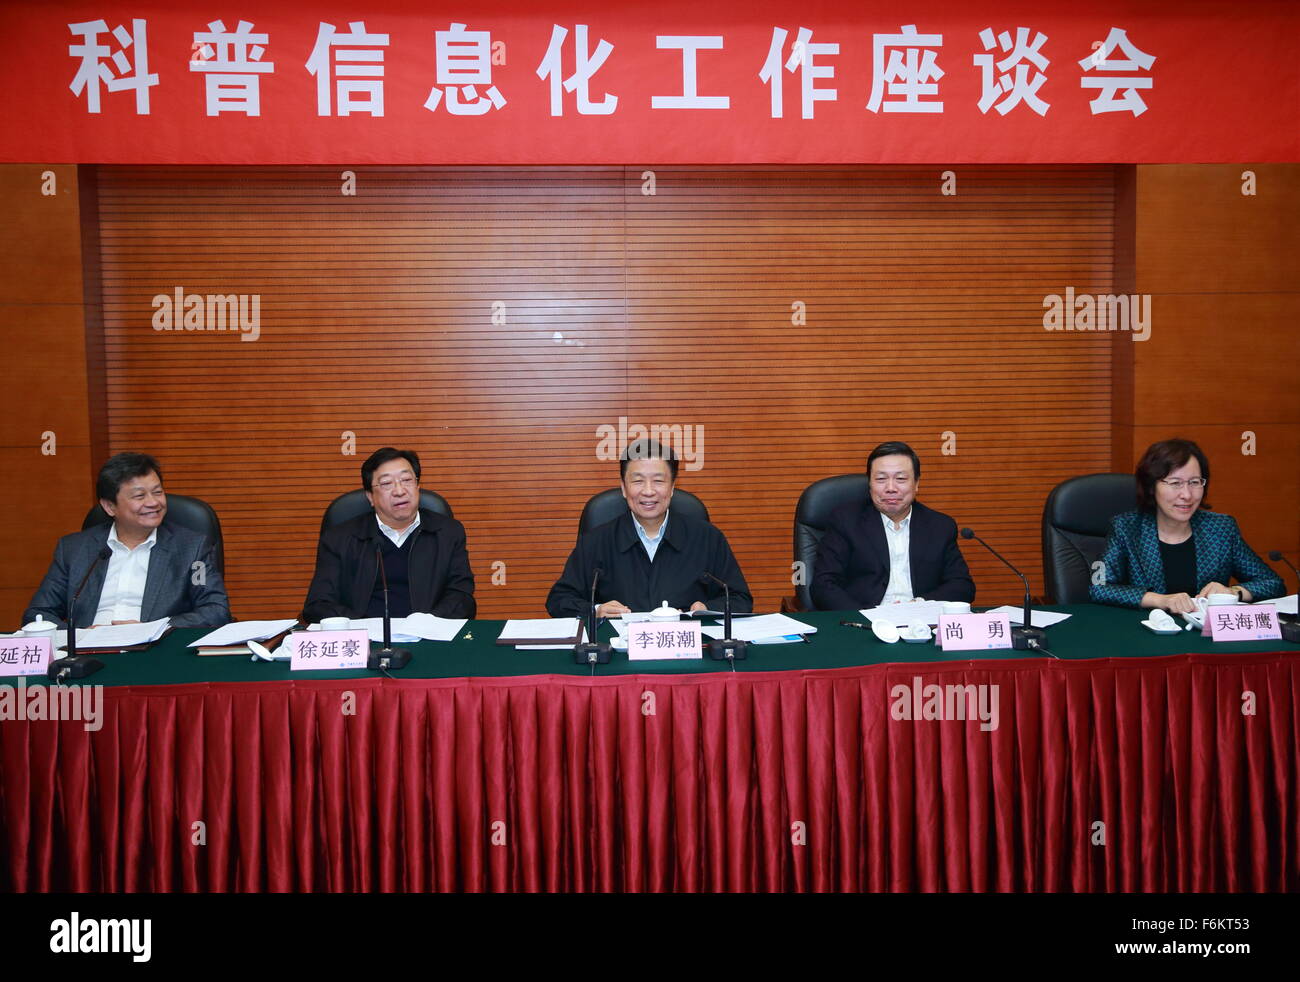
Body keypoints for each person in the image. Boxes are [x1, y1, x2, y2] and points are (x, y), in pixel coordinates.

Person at [546, 439, 752, 619]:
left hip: (685, 646)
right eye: (638, 481)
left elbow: (740, 599)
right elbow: (559, 600)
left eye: (658, 481)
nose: (648, 491)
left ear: (672, 487)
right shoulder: (596, 541)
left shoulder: (707, 538)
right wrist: (596, 610)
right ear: (624, 488)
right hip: (619, 648)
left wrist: (708, 609)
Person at [23, 452, 230, 628]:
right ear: (109, 506)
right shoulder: (74, 550)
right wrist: (80, 636)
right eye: (139, 496)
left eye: (157, 492)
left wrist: (152, 629)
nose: (153, 502)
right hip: (89, 651)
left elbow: (214, 610)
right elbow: (38, 614)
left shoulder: (192, 550)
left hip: (154, 650)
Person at [1090, 438, 1283, 612]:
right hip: (1149, 631)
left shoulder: (1221, 528)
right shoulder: (1126, 528)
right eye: (1175, 483)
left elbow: (1273, 583)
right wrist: (1159, 600)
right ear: (1151, 487)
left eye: (1194, 482)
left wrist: (1233, 592)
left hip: (1205, 633)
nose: (1187, 495)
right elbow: (1098, 587)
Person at [302, 447, 476, 622]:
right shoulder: (338, 539)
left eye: (406, 480)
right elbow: (319, 604)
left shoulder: (448, 532)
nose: (399, 491)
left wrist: (429, 622)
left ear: (417, 486)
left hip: (430, 632)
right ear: (370, 496)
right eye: (386, 483)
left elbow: (461, 597)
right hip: (365, 634)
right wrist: (363, 627)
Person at [811, 441, 975, 610]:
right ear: (870, 484)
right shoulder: (845, 521)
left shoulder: (940, 526)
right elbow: (823, 585)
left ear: (916, 483)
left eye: (901, 479)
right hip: (864, 619)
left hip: (921, 618)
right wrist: (865, 617)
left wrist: (920, 605)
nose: (890, 488)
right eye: (881, 479)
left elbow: (962, 586)